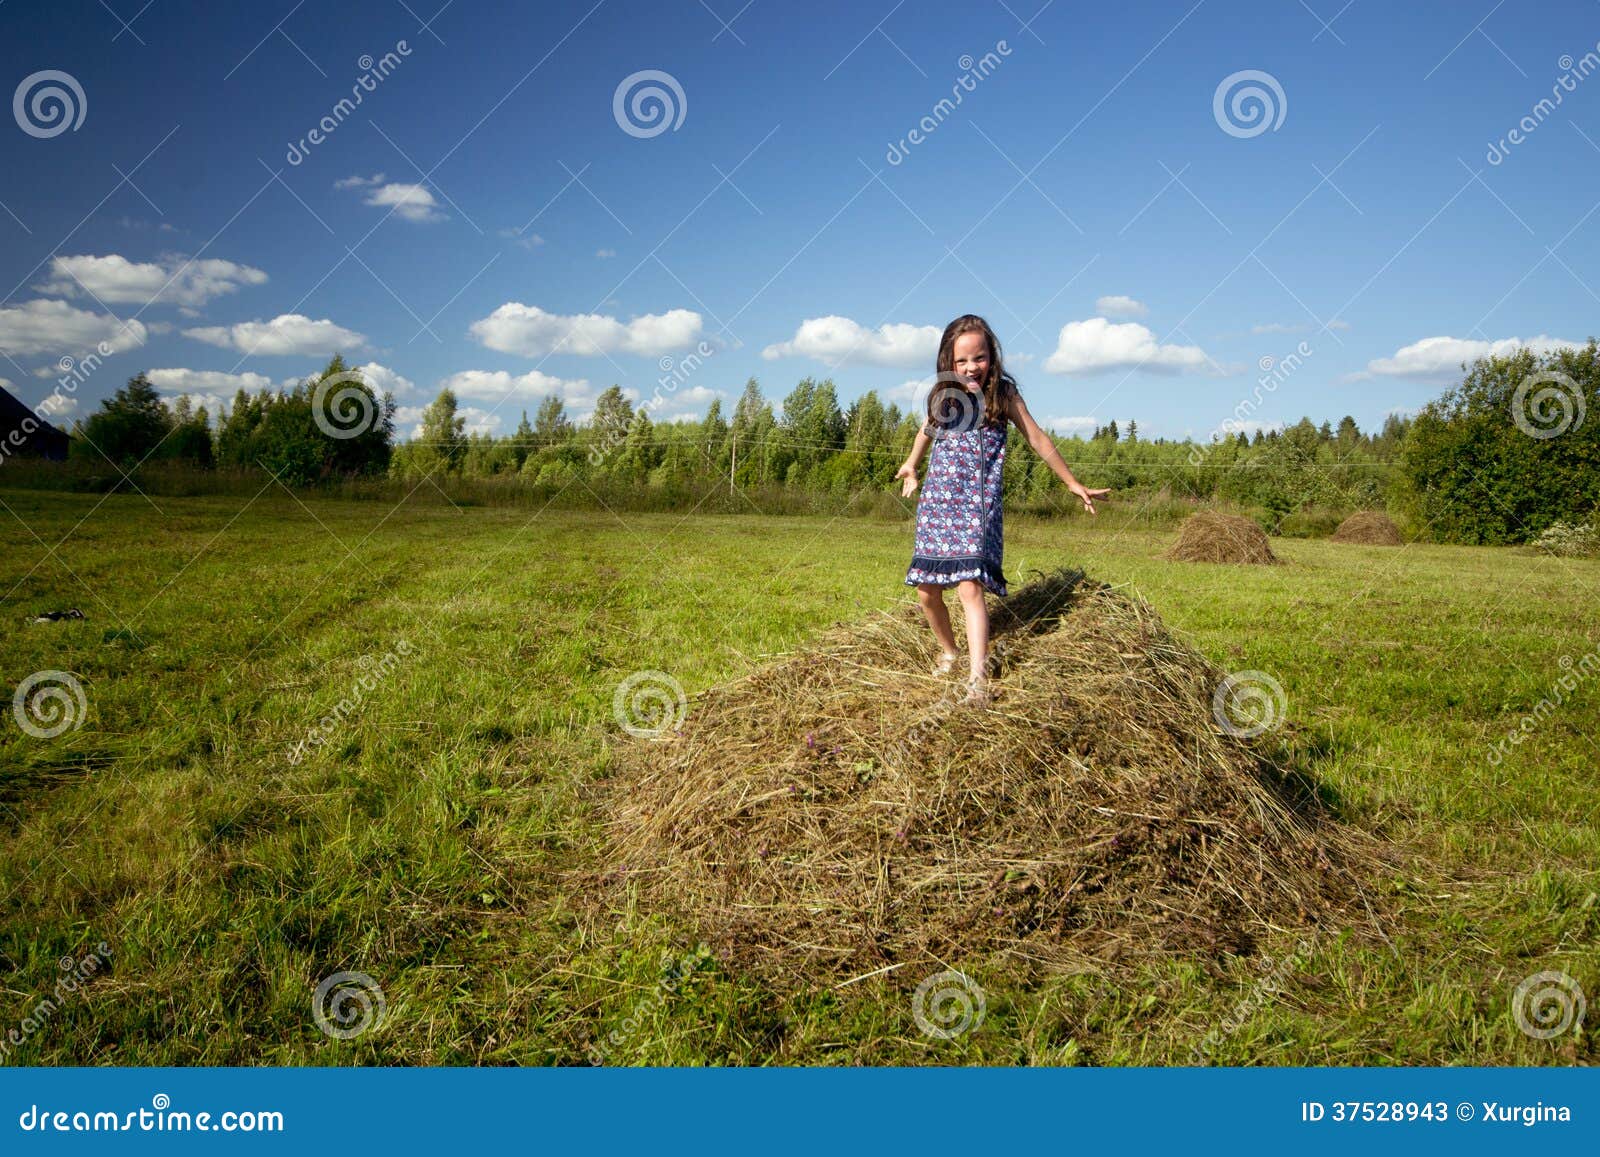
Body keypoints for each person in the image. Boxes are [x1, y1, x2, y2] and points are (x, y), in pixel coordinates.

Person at [895, 314, 1110, 705]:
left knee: (969, 585)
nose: (970, 367)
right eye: (961, 361)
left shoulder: (1003, 396)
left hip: (978, 504)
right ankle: (949, 651)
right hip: (937, 504)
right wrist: (911, 464)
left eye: (978, 358)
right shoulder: (945, 395)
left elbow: (1038, 438)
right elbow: (925, 431)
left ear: (991, 357)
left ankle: (978, 678)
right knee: (927, 592)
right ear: (948, 362)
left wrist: (1071, 482)